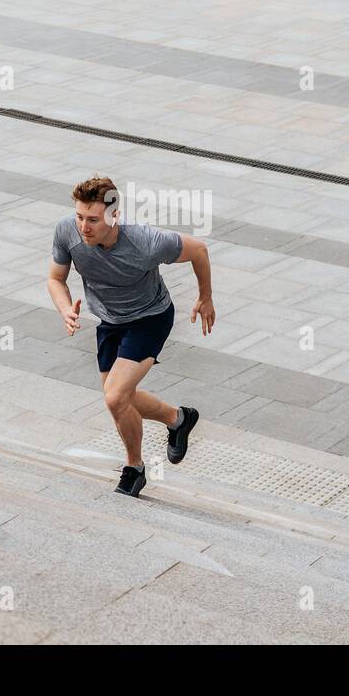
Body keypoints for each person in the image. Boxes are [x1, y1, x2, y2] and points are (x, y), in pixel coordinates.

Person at [47, 175, 215, 496]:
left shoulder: (147, 242)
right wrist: (65, 308)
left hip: (149, 318)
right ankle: (178, 419)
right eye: (80, 216)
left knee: (114, 397)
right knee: (121, 398)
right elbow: (56, 278)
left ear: (114, 216)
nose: (84, 227)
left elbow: (199, 250)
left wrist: (205, 297)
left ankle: (134, 468)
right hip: (110, 321)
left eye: (93, 219)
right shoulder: (66, 231)